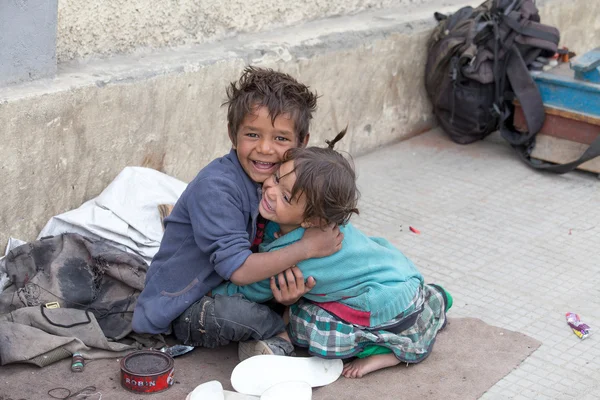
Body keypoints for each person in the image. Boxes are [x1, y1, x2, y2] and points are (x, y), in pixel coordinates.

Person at [132, 67, 344, 356]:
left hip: (240, 288)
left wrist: (288, 291)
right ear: (233, 135)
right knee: (238, 315)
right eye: (253, 134)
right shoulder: (217, 188)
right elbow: (242, 270)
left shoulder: (283, 184)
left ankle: (276, 324)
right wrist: (306, 249)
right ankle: (279, 332)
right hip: (187, 304)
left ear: (302, 143)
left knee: (314, 291)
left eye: (281, 139)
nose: (265, 149)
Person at [212, 129, 452, 378]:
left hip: (383, 301)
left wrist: (213, 293)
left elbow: (253, 287)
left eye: (284, 196)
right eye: (275, 177)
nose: (270, 191)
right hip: (402, 274)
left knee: (304, 322)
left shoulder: (299, 254)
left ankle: (384, 351)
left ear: (311, 219)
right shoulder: (321, 223)